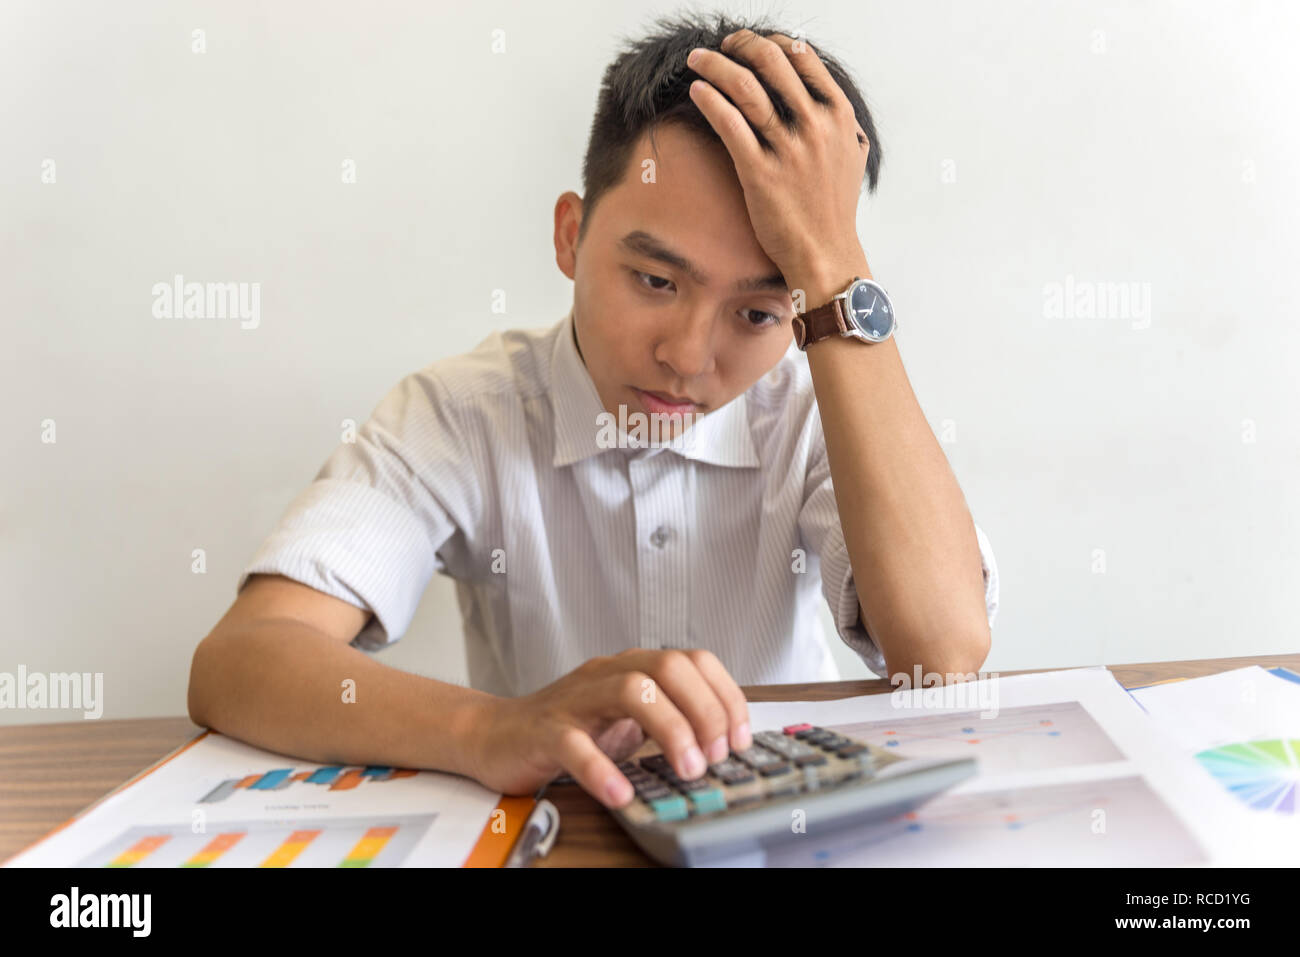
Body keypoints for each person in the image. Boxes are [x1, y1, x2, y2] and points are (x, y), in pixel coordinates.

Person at [188, 12, 999, 812]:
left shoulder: (820, 412)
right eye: (655, 281)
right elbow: (242, 658)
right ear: (571, 235)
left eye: (757, 314)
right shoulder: (464, 412)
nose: (686, 355)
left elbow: (944, 655)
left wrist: (831, 268)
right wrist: (491, 728)